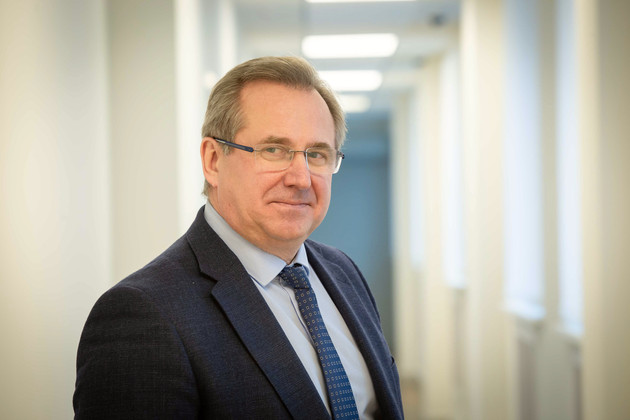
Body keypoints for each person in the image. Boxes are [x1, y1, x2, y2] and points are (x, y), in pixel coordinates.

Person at [73, 56, 403, 419]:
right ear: (213, 160)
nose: (301, 178)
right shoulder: (143, 316)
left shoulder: (343, 271)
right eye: (273, 150)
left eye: (317, 154)